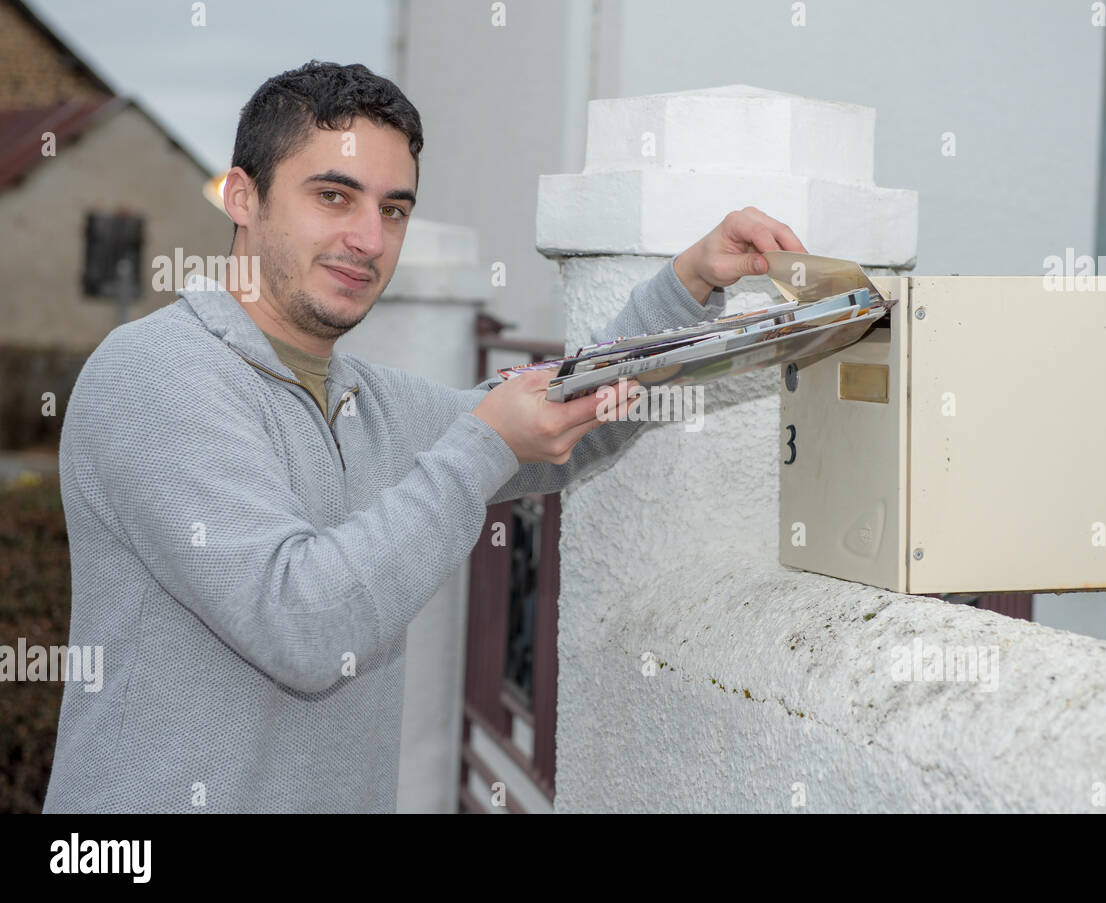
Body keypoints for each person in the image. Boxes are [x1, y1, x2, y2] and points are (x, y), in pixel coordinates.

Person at [42, 61, 808, 813]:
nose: (369, 239)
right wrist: (481, 443)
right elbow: (303, 626)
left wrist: (688, 285)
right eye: (335, 197)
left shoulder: (368, 398)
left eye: (394, 209)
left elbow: (568, 423)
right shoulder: (155, 374)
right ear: (243, 197)